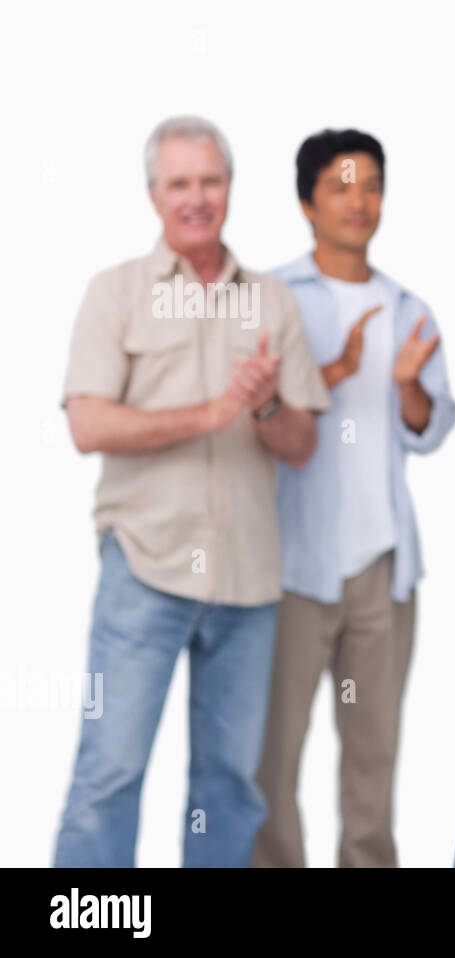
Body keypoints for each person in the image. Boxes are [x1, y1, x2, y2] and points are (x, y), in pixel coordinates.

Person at [54, 116, 329, 867]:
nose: (197, 198)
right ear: (154, 195)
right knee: (110, 770)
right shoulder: (115, 293)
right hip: (144, 567)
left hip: (247, 578)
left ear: (230, 189)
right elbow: (87, 423)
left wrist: (267, 406)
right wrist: (210, 414)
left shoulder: (272, 301)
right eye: (180, 183)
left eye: (210, 181)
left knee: (231, 783)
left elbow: (302, 444)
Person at [251, 129, 455, 868]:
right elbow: (250, 414)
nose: (358, 200)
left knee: (373, 760)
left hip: (383, 567)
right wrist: (331, 370)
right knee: (271, 758)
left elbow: (431, 429)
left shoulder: (408, 307)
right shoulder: (270, 298)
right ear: (307, 202)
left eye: (370, 184)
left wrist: (405, 385)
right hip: (291, 564)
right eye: (340, 186)